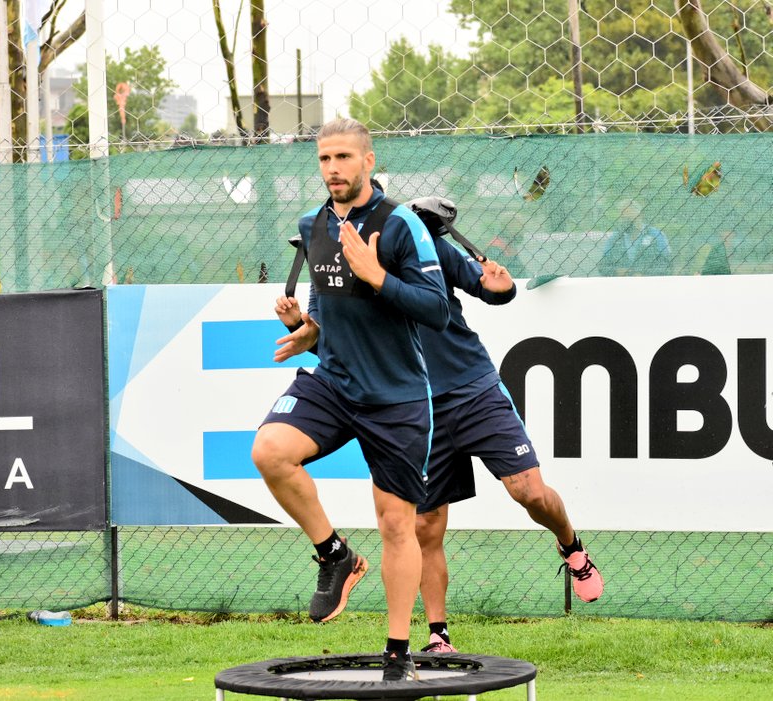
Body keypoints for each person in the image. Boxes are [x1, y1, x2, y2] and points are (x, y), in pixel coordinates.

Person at [276, 198, 604, 655]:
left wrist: (501, 288)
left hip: (472, 390)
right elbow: (336, 350)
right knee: (426, 527)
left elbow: (487, 286)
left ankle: (571, 547)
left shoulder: (420, 242)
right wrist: (303, 329)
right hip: (414, 406)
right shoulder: (337, 265)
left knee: (528, 491)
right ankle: (438, 636)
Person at [252, 118, 451, 681]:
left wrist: (376, 274)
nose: (333, 168)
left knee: (396, 525)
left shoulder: (402, 224)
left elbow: (436, 309)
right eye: (324, 159)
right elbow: (331, 302)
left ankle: (397, 651)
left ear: (368, 160)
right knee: (270, 451)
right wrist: (309, 329)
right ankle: (336, 555)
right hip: (333, 380)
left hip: (396, 396)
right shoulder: (312, 223)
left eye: (343, 157)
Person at [597, 200, 672, 276]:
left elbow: (666, 263)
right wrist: (617, 271)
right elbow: (603, 266)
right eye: (623, 218)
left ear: (640, 215)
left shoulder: (655, 234)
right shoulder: (614, 238)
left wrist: (644, 274)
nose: (626, 221)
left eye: (629, 217)